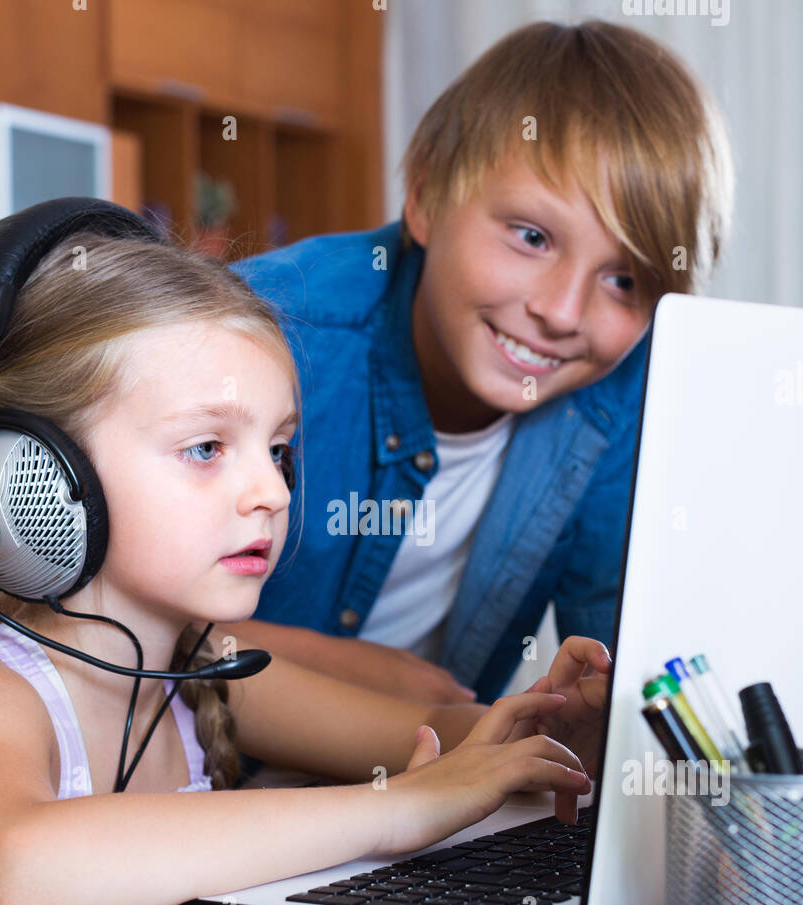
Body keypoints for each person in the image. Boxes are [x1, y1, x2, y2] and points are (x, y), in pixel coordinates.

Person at [0, 226, 608, 905]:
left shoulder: (205, 668)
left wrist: (547, 730)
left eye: (278, 449)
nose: (274, 493)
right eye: (208, 448)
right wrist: (396, 811)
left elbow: (428, 734)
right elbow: (15, 871)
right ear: (27, 478)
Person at [220, 20, 734, 734]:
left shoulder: (622, 385)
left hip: (428, 797)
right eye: (531, 237)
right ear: (427, 193)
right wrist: (369, 680)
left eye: (624, 279)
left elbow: (626, 677)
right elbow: (120, 646)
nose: (560, 312)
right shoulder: (258, 335)